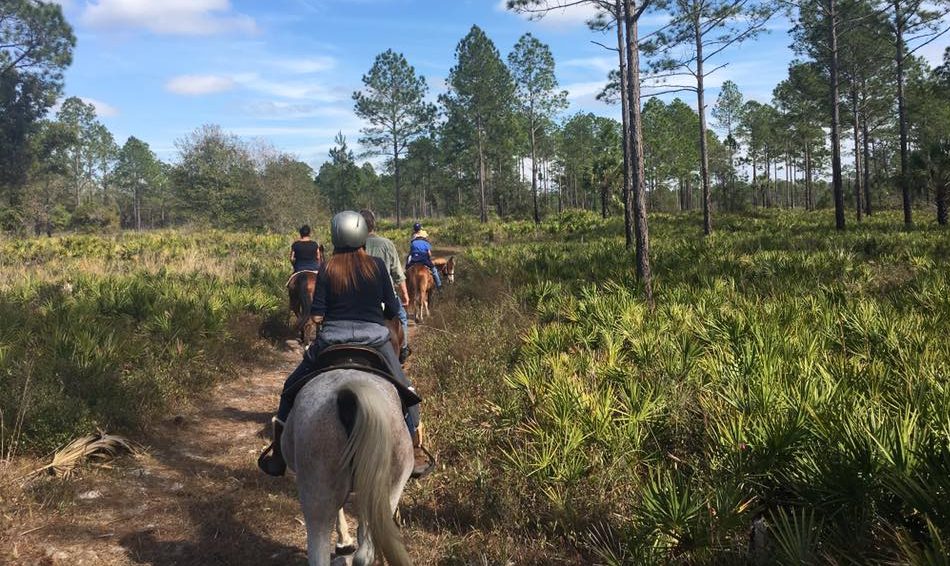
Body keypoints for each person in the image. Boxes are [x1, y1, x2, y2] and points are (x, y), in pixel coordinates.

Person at [258, 211, 433, 479]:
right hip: (375, 341)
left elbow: (317, 314)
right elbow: (394, 306)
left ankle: (279, 455)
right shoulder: (376, 265)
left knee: (289, 389)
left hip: (332, 340)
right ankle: (414, 450)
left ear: (336, 236)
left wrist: (321, 318)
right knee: (407, 391)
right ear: (362, 234)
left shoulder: (327, 267)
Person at [360, 209, 412, 363]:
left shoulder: (354, 245)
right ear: (373, 225)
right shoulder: (387, 244)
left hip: (360, 295)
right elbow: (397, 273)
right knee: (402, 317)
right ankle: (403, 349)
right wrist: (405, 294)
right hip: (385, 294)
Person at [406, 226, 442, 290]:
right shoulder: (426, 243)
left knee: (407, 270)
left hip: (414, 259)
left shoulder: (413, 242)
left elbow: (411, 253)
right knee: (434, 270)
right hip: (424, 259)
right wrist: (429, 258)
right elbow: (429, 254)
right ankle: (439, 286)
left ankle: (405, 283)